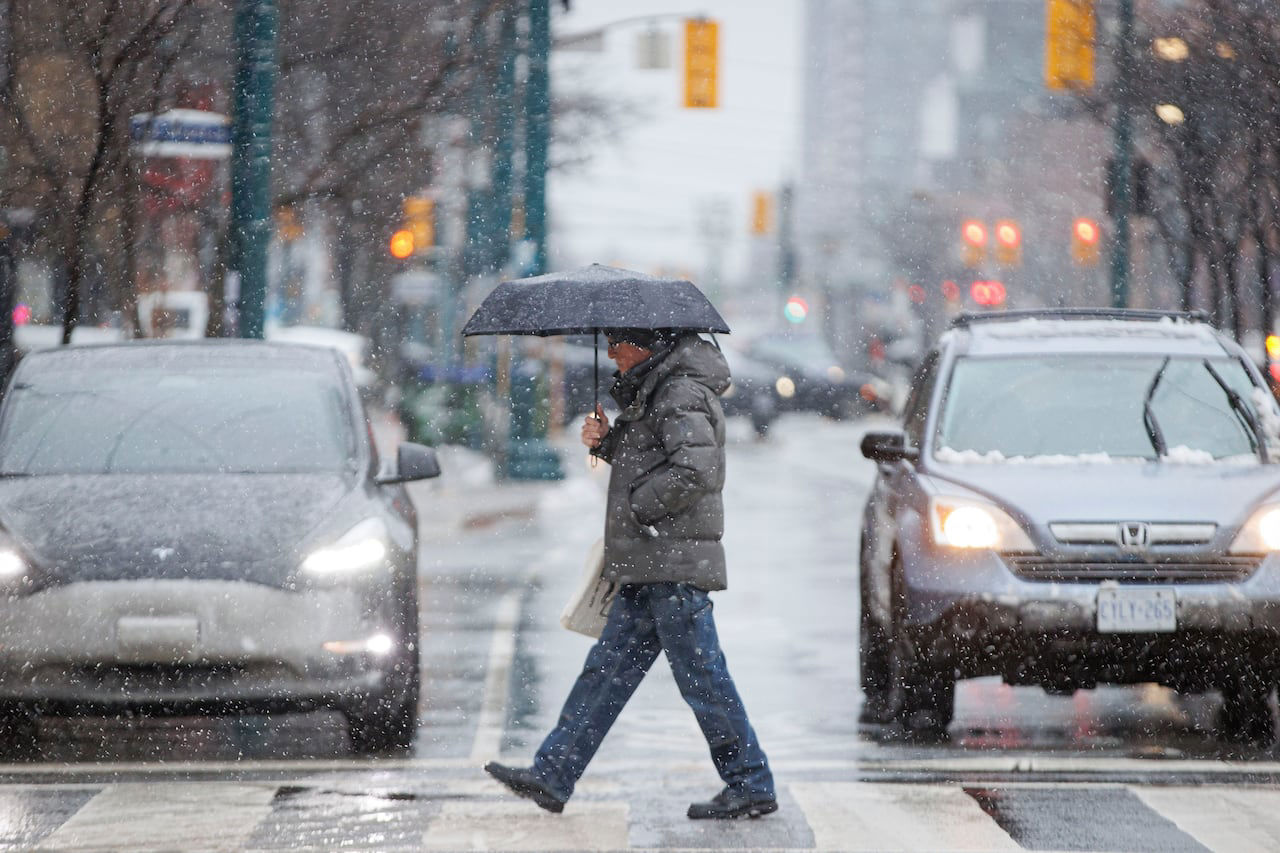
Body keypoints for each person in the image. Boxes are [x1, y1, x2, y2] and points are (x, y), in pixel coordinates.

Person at [485, 328, 776, 819]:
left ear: (647, 344)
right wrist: (609, 441)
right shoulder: (658, 389)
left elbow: (695, 468)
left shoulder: (678, 391)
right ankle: (554, 773)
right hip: (651, 562)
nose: (610, 352)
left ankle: (750, 781)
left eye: (618, 342)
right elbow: (655, 457)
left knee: (702, 678)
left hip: (672, 563)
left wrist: (639, 508)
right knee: (608, 673)